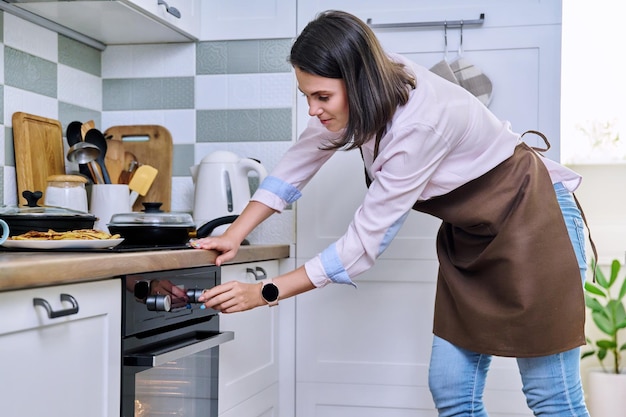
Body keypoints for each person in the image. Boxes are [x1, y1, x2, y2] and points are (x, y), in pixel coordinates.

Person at [192, 10, 591, 417]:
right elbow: (300, 159)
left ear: (358, 83)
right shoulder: (372, 85)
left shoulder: (419, 124)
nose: (313, 110)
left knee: (552, 398)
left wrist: (265, 292)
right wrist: (235, 232)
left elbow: (361, 247)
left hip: (536, 223)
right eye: (307, 96)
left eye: (322, 97)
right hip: (473, 237)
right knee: (453, 392)